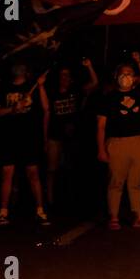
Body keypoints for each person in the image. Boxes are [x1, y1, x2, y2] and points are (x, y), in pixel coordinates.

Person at [97, 38, 140, 229]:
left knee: (136, 182)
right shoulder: (108, 98)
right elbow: (100, 126)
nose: (126, 76)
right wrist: (101, 149)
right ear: (117, 76)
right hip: (116, 143)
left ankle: (138, 216)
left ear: (134, 78)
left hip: (138, 142)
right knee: (116, 182)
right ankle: (114, 217)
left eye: (130, 74)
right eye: (123, 74)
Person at [0, 62, 49, 227]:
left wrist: (41, 87)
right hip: (8, 138)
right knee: (7, 173)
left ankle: (40, 211)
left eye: (21, 66)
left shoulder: (33, 86)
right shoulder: (2, 88)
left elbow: (46, 108)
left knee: (33, 173)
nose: (18, 68)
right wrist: (11, 109)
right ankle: (3, 212)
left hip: (29, 137)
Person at [44, 58, 98, 212]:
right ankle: (50, 200)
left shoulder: (76, 91)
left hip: (72, 136)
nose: (64, 78)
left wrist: (90, 67)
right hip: (54, 135)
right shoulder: (52, 92)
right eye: (62, 75)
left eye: (67, 75)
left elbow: (94, 84)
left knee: (70, 168)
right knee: (52, 169)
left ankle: (68, 199)